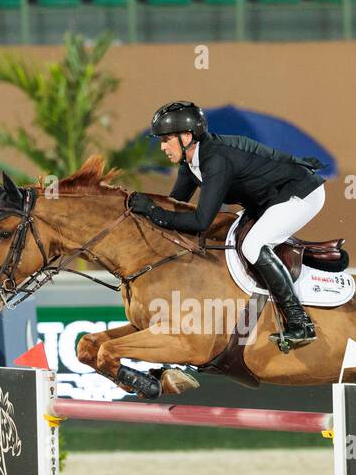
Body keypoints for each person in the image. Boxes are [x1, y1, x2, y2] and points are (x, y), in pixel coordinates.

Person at [127, 101, 326, 355]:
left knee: (253, 245)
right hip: (267, 199)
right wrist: (140, 212)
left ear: (186, 136)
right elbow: (176, 207)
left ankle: (300, 322)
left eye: (166, 139)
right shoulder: (190, 163)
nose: (163, 147)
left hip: (300, 193)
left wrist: (152, 211)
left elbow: (200, 221)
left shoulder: (216, 160)